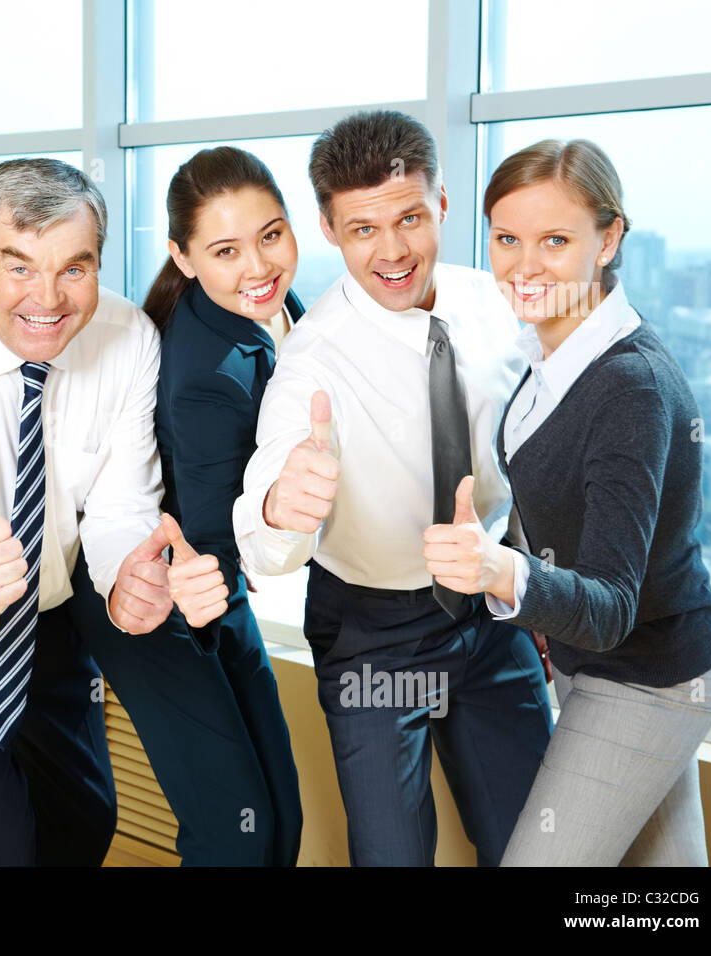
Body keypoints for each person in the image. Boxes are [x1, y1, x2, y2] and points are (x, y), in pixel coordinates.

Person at [0, 157, 258, 866]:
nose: (49, 297)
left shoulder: (127, 337)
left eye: (76, 267)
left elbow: (119, 507)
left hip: (44, 613)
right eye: (18, 267)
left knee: (85, 819)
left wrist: (127, 570)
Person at [234, 110, 553, 866]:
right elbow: (265, 534)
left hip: (488, 611)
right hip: (376, 633)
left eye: (409, 218)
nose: (393, 251)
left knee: (540, 845)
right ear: (329, 229)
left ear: (441, 201)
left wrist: (534, 584)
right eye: (363, 230)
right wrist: (283, 506)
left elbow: (535, 452)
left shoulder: (497, 306)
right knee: (392, 854)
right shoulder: (312, 362)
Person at [423, 138, 711, 865]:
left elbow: (613, 604)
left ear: (609, 237)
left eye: (554, 240)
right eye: (506, 239)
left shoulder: (629, 385)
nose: (523, 265)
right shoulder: (546, 354)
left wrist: (502, 573)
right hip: (601, 665)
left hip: (650, 676)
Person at [142, 146, 305, 866]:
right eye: (226, 250)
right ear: (183, 258)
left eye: (271, 236)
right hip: (178, 603)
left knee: (278, 821)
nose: (258, 267)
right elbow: (210, 539)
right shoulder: (204, 375)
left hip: (221, 591)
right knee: (237, 835)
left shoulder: (277, 309)